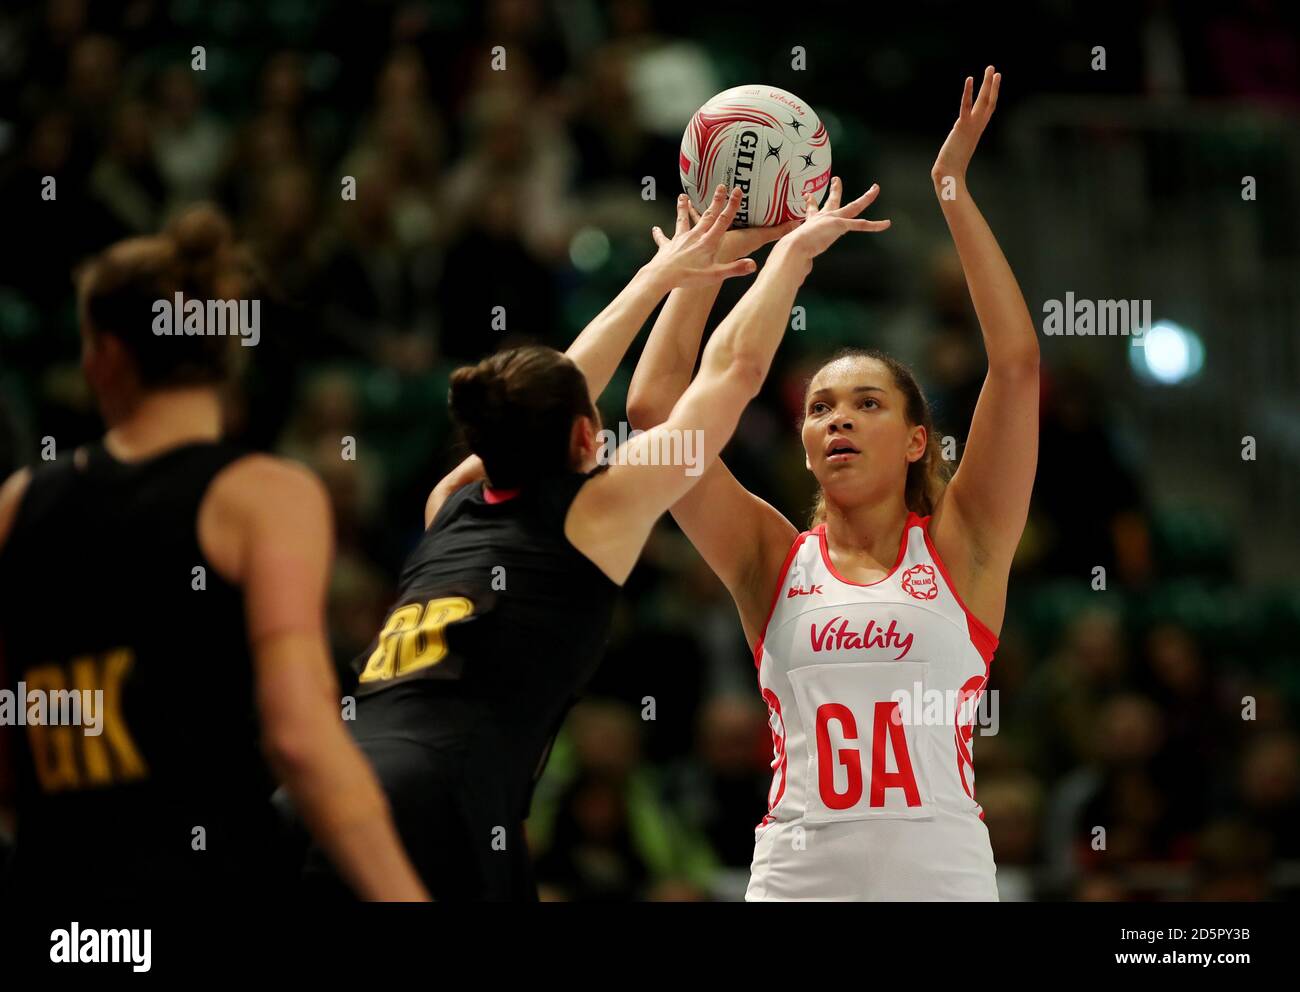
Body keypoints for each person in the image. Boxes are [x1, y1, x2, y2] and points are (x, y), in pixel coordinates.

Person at [305, 181, 885, 900]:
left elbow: (546, 389)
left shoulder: (449, 499)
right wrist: (793, 252)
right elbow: (732, 374)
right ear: (586, 434)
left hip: (320, 783)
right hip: (429, 800)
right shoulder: (598, 509)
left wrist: (661, 277)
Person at [627, 67, 1038, 900]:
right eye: (820, 406)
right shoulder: (770, 559)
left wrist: (952, 190)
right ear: (807, 443)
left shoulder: (966, 547)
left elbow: (1019, 365)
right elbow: (654, 413)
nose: (837, 418)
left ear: (918, 439)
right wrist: (708, 262)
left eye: (866, 403)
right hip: (797, 885)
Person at [0, 206, 427, 900]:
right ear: (229, 357)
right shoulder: (265, 496)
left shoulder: (19, 502)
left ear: (104, 356)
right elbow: (298, 734)